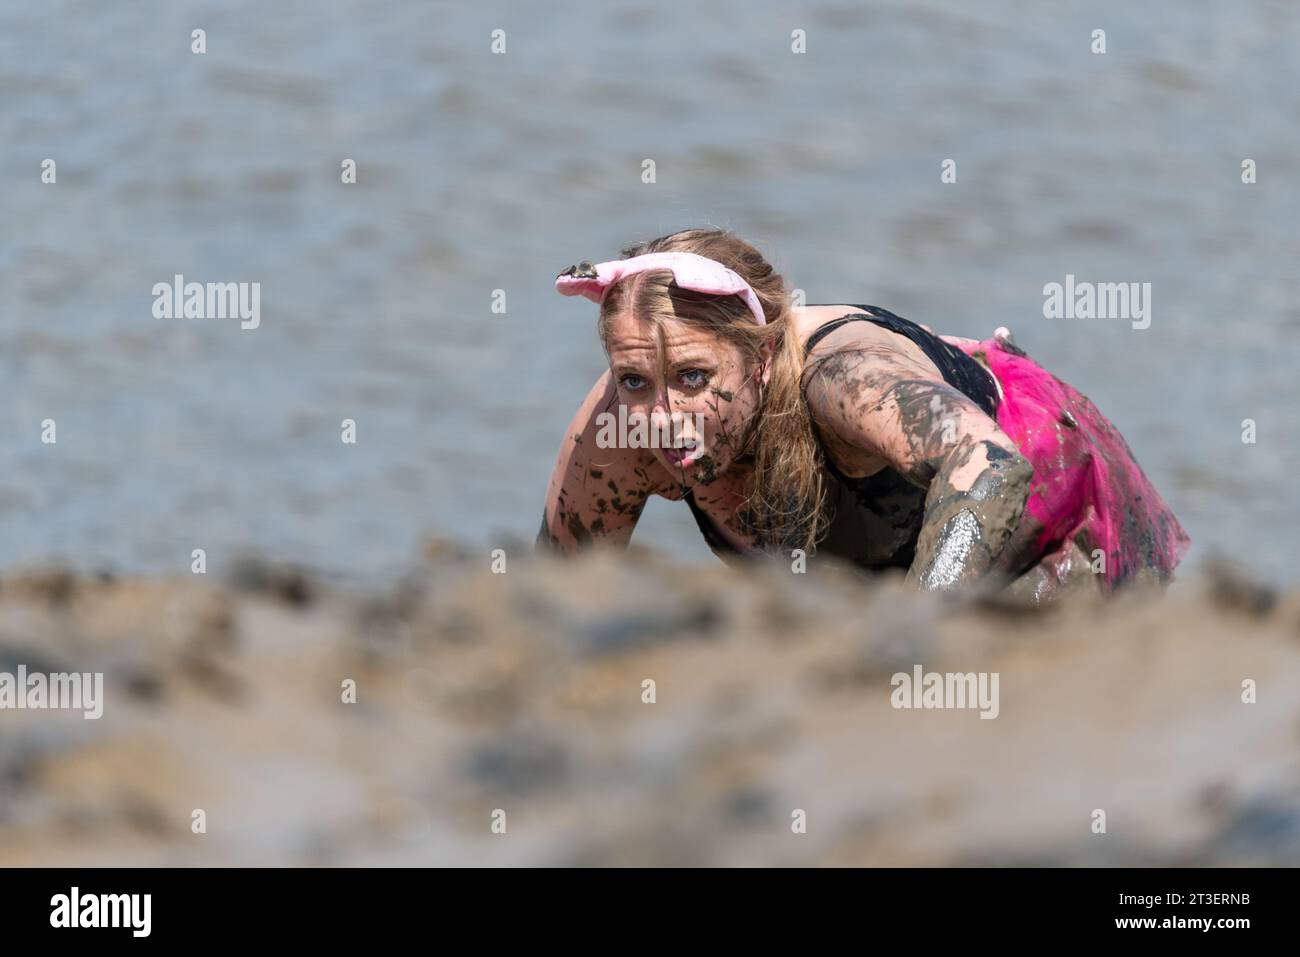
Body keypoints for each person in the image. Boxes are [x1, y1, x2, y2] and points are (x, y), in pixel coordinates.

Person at [537, 227, 1190, 600]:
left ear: (761, 359)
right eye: (634, 380)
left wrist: (908, 638)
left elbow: (988, 465)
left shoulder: (842, 377)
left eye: (693, 378)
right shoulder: (617, 433)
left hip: (1033, 486)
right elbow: (552, 603)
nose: (661, 414)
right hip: (870, 566)